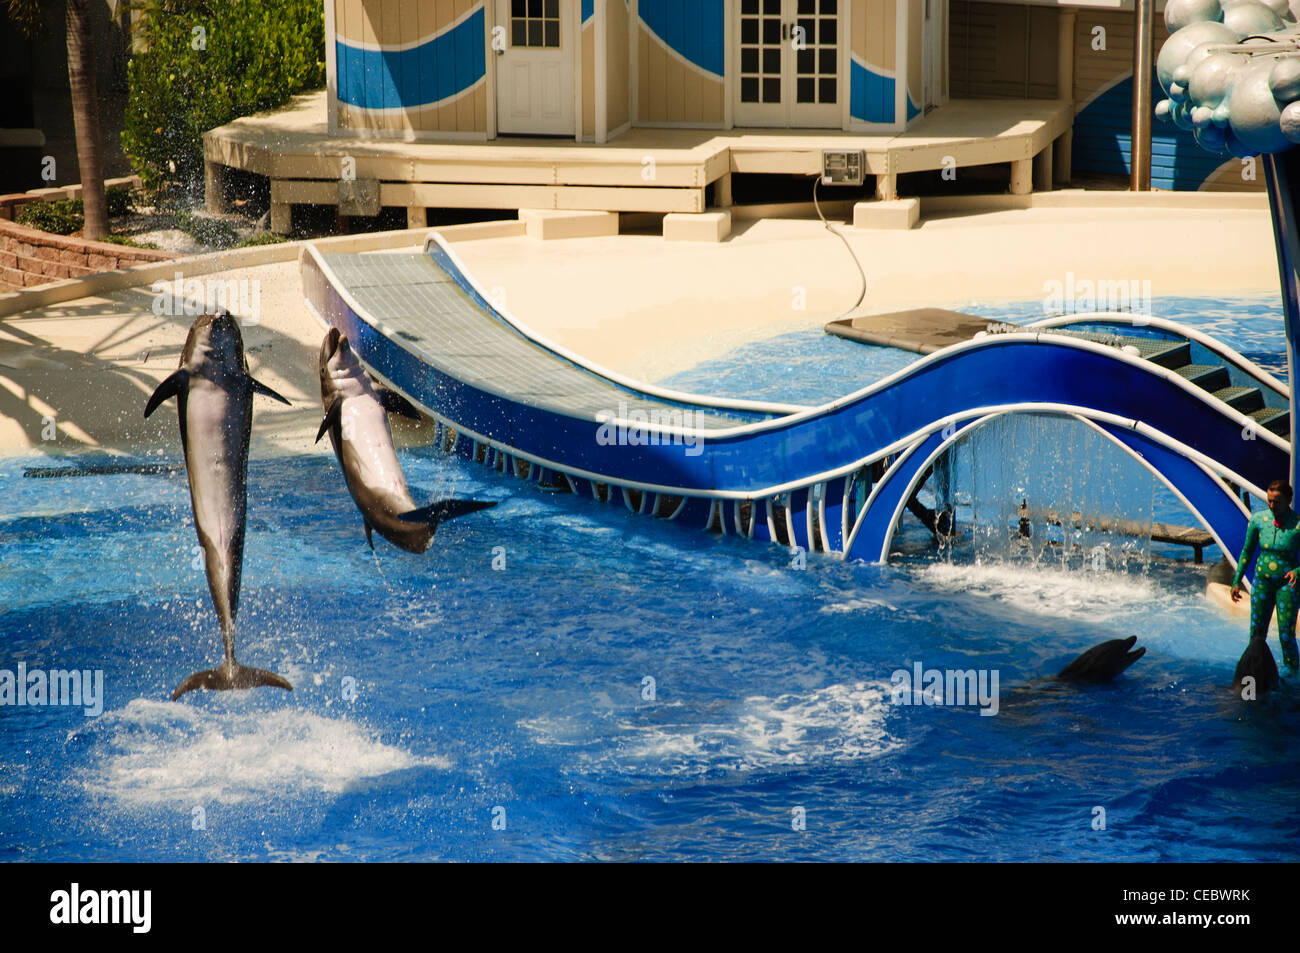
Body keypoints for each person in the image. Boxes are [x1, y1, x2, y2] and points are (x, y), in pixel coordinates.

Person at [1230, 479, 1300, 672]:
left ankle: (1293, 677)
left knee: (1286, 635)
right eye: (1269, 501)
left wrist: (1297, 571)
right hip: (1262, 582)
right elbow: (1247, 551)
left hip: (1287, 585)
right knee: (1256, 634)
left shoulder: (1298, 525)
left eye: (1276, 502)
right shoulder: (1258, 520)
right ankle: (1252, 676)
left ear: (1288, 501)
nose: (1272, 505)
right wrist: (1237, 581)